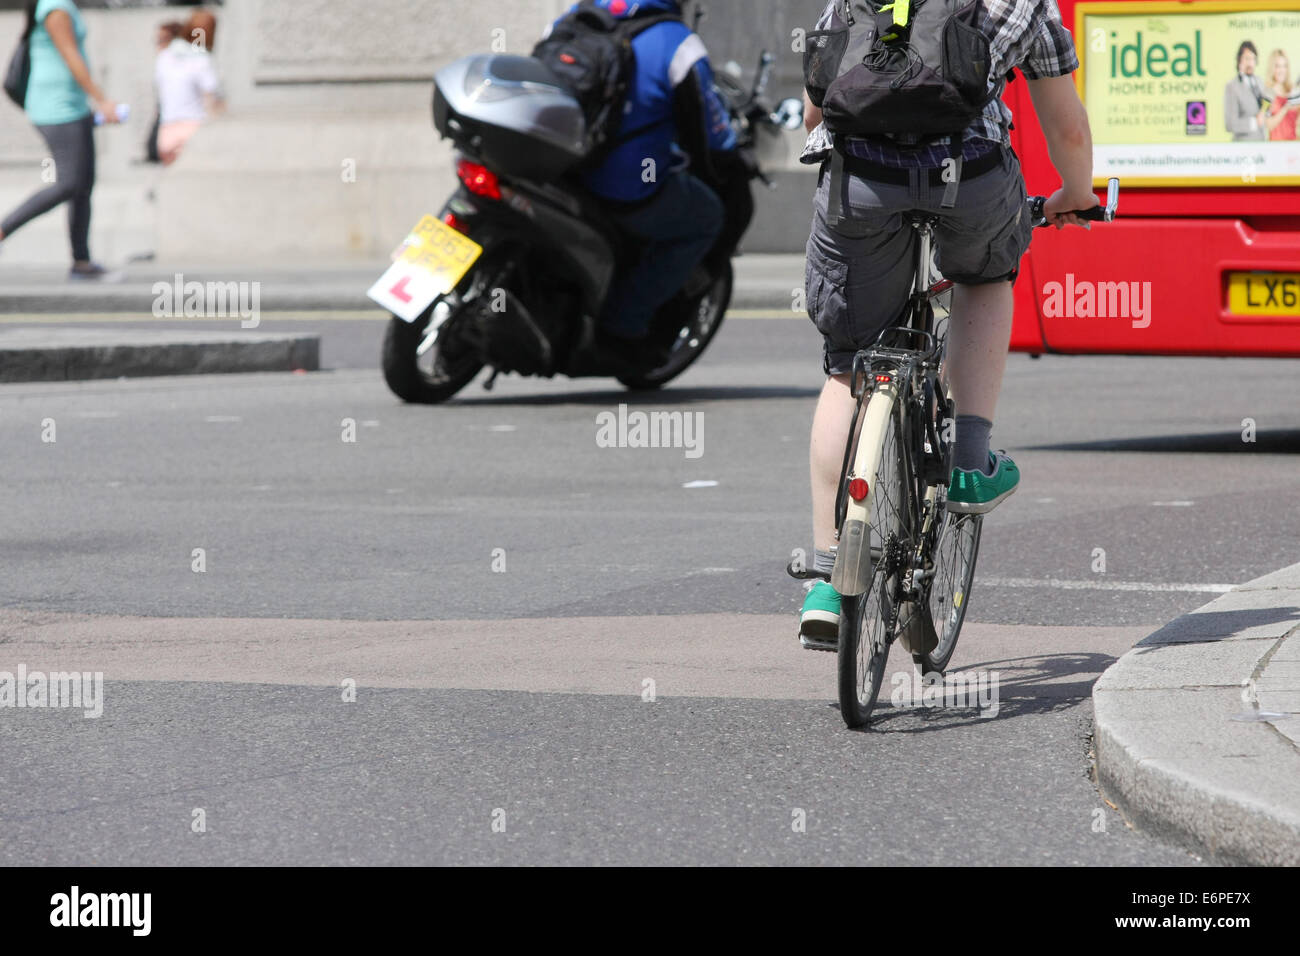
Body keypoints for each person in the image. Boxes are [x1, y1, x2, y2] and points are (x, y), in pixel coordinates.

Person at [797, 0, 1099, 644]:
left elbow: (817, 96)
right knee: (985, 278)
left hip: (861, 182)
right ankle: (968, 461)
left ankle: (827, 576)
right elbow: (1067, 130)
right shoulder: (1024, 5)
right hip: (972, 179)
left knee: (847, 367)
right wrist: (1076, 194)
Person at [547, 0, 737, 369]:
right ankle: (624, 326)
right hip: (623, 189)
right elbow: (715, 137)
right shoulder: (678, 43)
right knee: (706, 217)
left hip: (560, 172)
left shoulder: (574, 17)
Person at [0, 0, 120, 278]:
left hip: (72, 105)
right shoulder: (54, 7)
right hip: (55, 105)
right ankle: (3, 228)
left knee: (83, 183)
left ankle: (82, 262)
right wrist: (102, 100)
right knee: (70, 182)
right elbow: (70, 55)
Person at [155, 8, 224, 166]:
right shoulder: (200, 60)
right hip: (193, 130)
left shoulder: (165, 57)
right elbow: (213, 96)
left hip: (166, 132)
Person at [1224, 41, 1269, 141]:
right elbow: (1230, 124)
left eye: (1253, 59)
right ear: (1239, 60)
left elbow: (1265, 109)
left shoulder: (1259, 81)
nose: (1250, 63)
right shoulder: (1232, 86)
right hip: (1243, 147)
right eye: (1247, 59)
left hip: (1262, 144)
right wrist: (1254, 122)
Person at [1266, 49, 1298, 141]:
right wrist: (1286, 107)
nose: (1282, 70)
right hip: (1276, 148)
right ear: (1272, 68)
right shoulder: (1268, 93)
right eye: (1277, 66)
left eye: (1284, 66)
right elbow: (1269, 125)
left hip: (1294, 147)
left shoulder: (1293, 91)